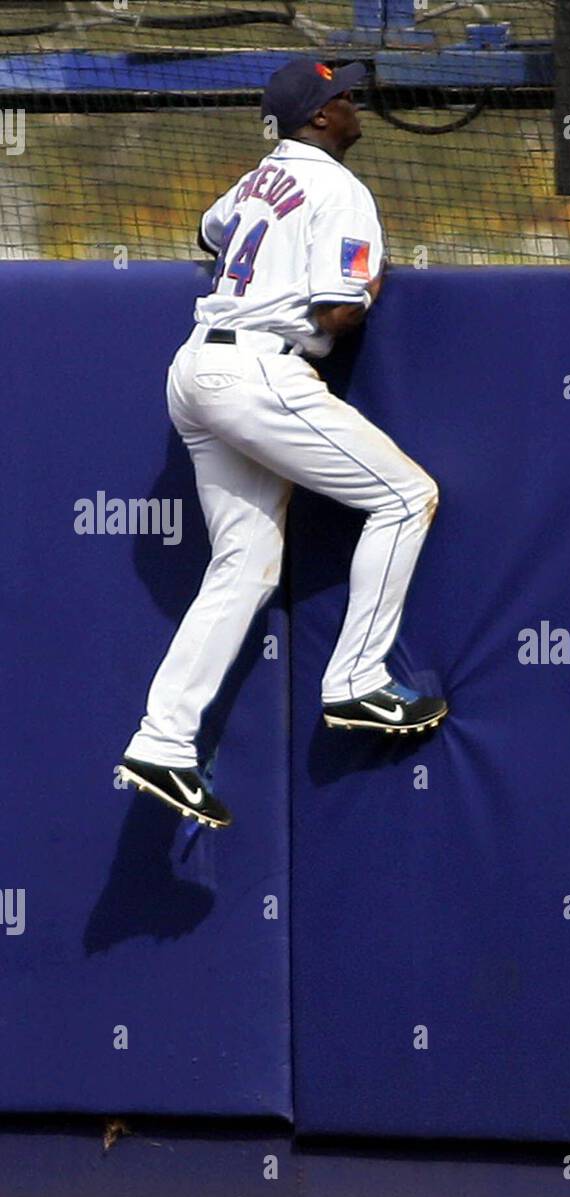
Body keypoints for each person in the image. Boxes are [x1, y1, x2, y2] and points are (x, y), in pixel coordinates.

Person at [118, 57, 446, 831]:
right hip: (261, 374)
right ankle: (359, 678)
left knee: (244, 567)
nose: (356, 105)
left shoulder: (259, 176)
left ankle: (163, 740)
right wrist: (371, 286)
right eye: (344, 96)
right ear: (321, 118)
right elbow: (337, 315)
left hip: (197, 367)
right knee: (406, 497)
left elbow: (208, 227)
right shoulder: (341, 188)